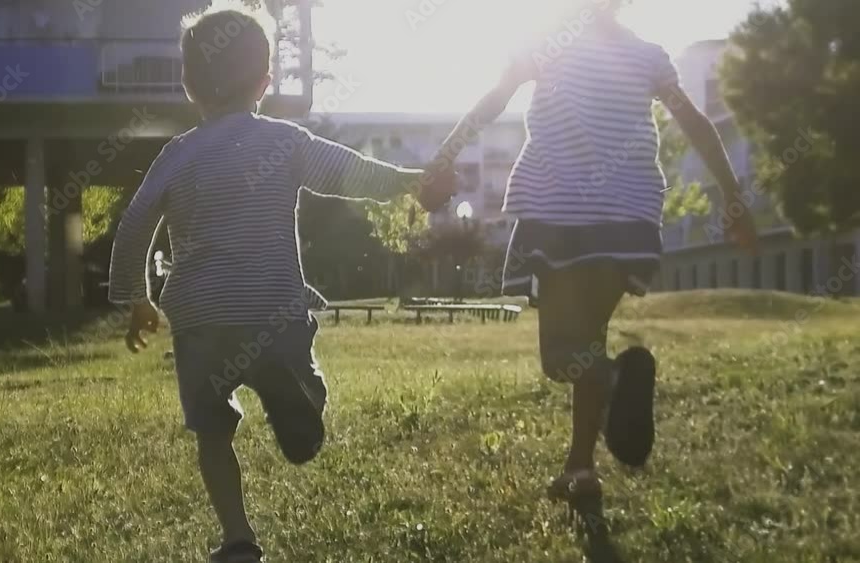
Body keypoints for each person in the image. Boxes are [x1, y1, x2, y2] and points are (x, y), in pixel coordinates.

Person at [107, 6, 456, 563]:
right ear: (264, 83)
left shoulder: (175, 156)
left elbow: (133, 226)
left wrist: (137, 297)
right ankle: (293, 392)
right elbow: (349, 173)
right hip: (271, 307)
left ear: (188, 84)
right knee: (305, 385)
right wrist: (409, 182)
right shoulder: (282, 141)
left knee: (212, 431)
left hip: (199, 317)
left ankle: (238, 539)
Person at [432, 0, 758, 501]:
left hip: (561, 215)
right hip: (629, 220)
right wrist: (733, 196)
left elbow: (497, 97)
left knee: (561, 357)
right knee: (587, 340)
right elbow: (694, 121)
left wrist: (445, 155)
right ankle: (580, 469)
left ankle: (615, 376)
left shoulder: (546, 40)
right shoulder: (647, 54)